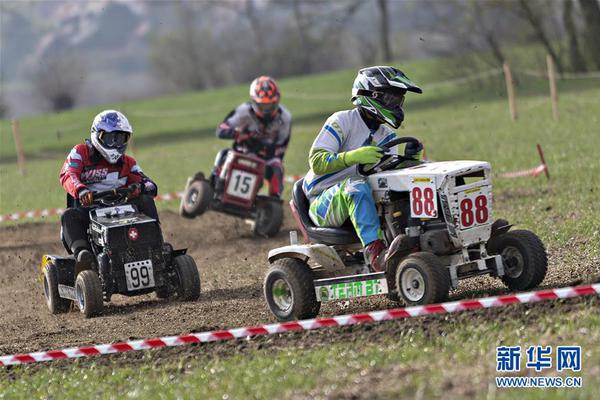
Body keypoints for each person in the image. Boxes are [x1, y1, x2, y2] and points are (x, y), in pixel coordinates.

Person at [302, 66, 423, 272]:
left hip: (360, 201)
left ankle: (415, 241)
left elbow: (387, 174)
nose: (396, 105)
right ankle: (375, 253)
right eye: (391, 99)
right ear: (371, 95)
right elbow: (316, 161)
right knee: (355, 186)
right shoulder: (341, 121)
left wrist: (411, 160)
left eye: (399, 101)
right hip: (321, 202)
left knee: (399, 191)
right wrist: (353, 157)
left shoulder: (387, 137)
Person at [59, 110, 158, 268]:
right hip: (89, 211)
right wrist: (82, 191)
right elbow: (68, 174)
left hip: (122, 210)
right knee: (69, 215)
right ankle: (83, 255)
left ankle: (156, 246)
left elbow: (151, 185)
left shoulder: (128, 162)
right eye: (112, 139)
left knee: (145, 201)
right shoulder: (81, 152)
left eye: (121, 139)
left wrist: (139, 187)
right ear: (97, 135)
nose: (117, 145)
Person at [214, 76, 292, 197]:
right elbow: (221, 128)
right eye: (263, 106)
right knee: (224, 154)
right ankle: (215, 183)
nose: (266, 111)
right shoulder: (243, 111)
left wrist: (268, 151)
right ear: (254, 101)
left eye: (270, 106)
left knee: (277, 168)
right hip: (243, 151)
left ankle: (274, 200)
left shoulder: (285, 118)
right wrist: (236, 134)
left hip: (267, 156)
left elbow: (283, 144)